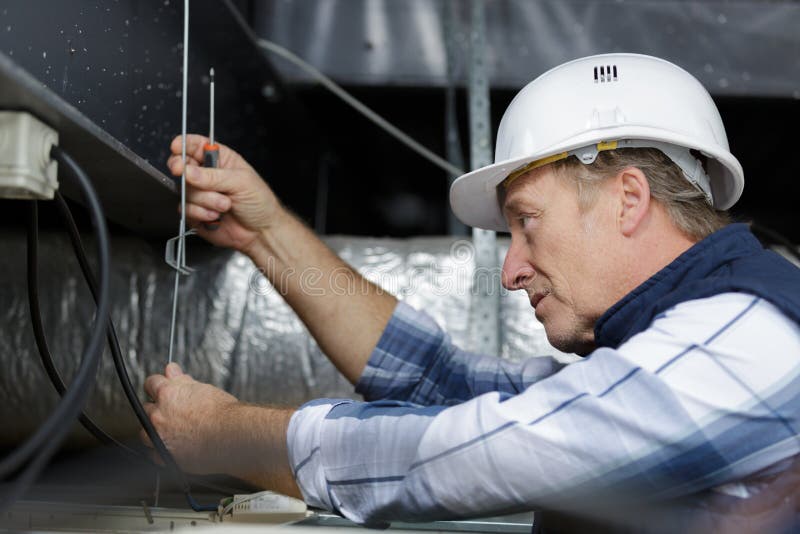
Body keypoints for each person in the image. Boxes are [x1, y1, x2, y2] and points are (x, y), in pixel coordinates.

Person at [142, 53, 800, 531]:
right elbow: (439, 380)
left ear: (628, 199)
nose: (511, 271)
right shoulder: (684, 346)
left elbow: (461, 455)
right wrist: (264, 233)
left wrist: (221, 434)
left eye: (527, 222)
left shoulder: (746, 343)